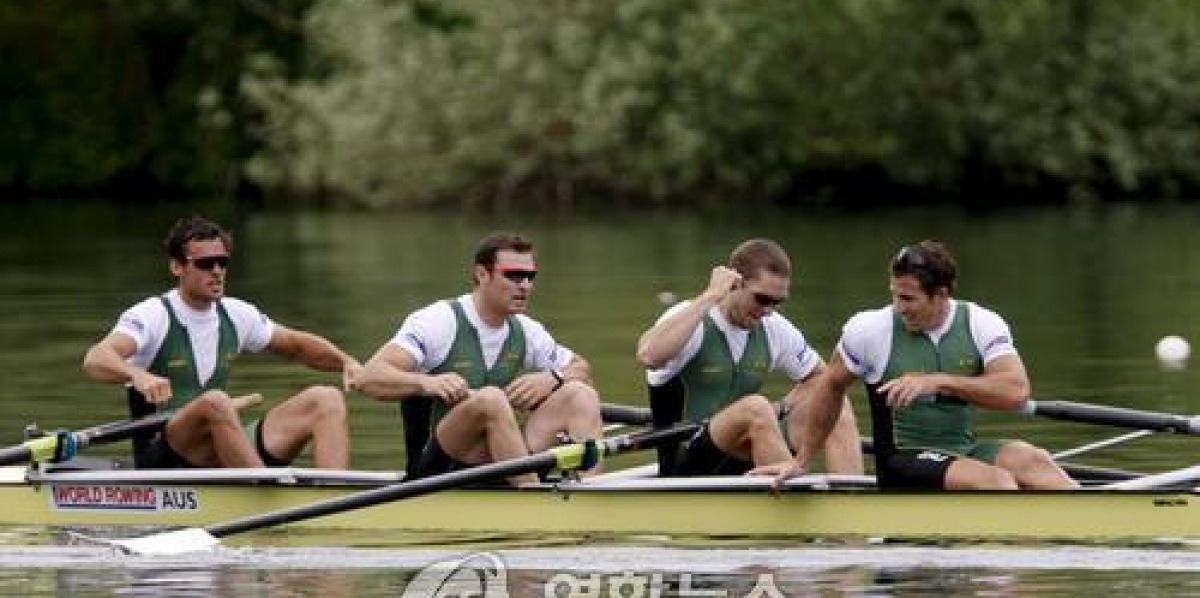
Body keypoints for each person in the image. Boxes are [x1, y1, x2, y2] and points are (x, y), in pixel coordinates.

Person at [753, 239, 1078, 490]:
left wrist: (937, 382)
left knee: (1033, 460)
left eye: (908, 299)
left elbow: (1016, 392)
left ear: (942, 295)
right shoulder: (870, 330)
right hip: (902, 460)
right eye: (894, 295)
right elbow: (830, 386)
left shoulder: (982, 324)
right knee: (997, 482)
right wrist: (802, 459)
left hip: (962, 449)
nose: (899, 308)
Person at [82, 215, 361, 470]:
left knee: (326, 398)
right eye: (205, 264)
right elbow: (96, 358)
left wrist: (345, 362)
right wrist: (137, 375)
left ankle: (333, 493)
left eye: (222, 262)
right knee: (215, 401)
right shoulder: (152, 315)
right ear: (177, 267)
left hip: (221, 449)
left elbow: (296, 345)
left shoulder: (237, 314)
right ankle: (262, 491)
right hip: (164, 455)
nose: (216, 271)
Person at [351, 232, 604, 485]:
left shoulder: (527, 331)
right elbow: (368, 378)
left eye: (530, 277)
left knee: (580, 394)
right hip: (437, 468)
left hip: (500, 461)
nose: (525, 285)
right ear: (482, 274)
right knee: (491, 399)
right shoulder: (439, 321)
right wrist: (428, 384)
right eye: (513, 275)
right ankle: (532, 500)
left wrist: (553, 378)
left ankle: (590, 498)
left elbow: (581, 368)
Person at [636, 238, 863, 477]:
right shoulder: (691, 319)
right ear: (735, 284)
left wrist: (783, 407)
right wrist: (711, 295)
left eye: (777, 302)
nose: (768, 310)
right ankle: (792, 500)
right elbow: (649, 355)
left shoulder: (774, 328)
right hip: (685, 462)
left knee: (834, 400)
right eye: (762, 299)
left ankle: (850, 502)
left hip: (741, 453)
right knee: (756, 408)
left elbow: (821, 380)